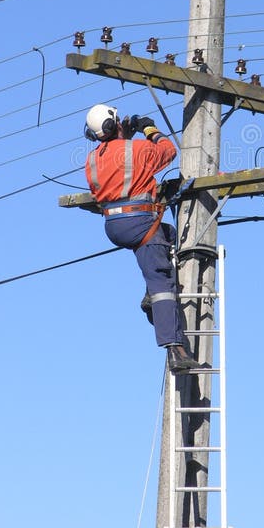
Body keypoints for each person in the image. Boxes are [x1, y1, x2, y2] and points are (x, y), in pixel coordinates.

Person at [84, 103, 199, 373]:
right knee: (162, 281)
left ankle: (149, 293)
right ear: (115, 125)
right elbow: (167, 151)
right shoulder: (136, 148)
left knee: (169, 236)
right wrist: (148, 128)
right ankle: (175, 349)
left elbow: (121, 166)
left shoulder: (92, 159)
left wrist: (126, 136)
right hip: (140, 222)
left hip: (114, 224)